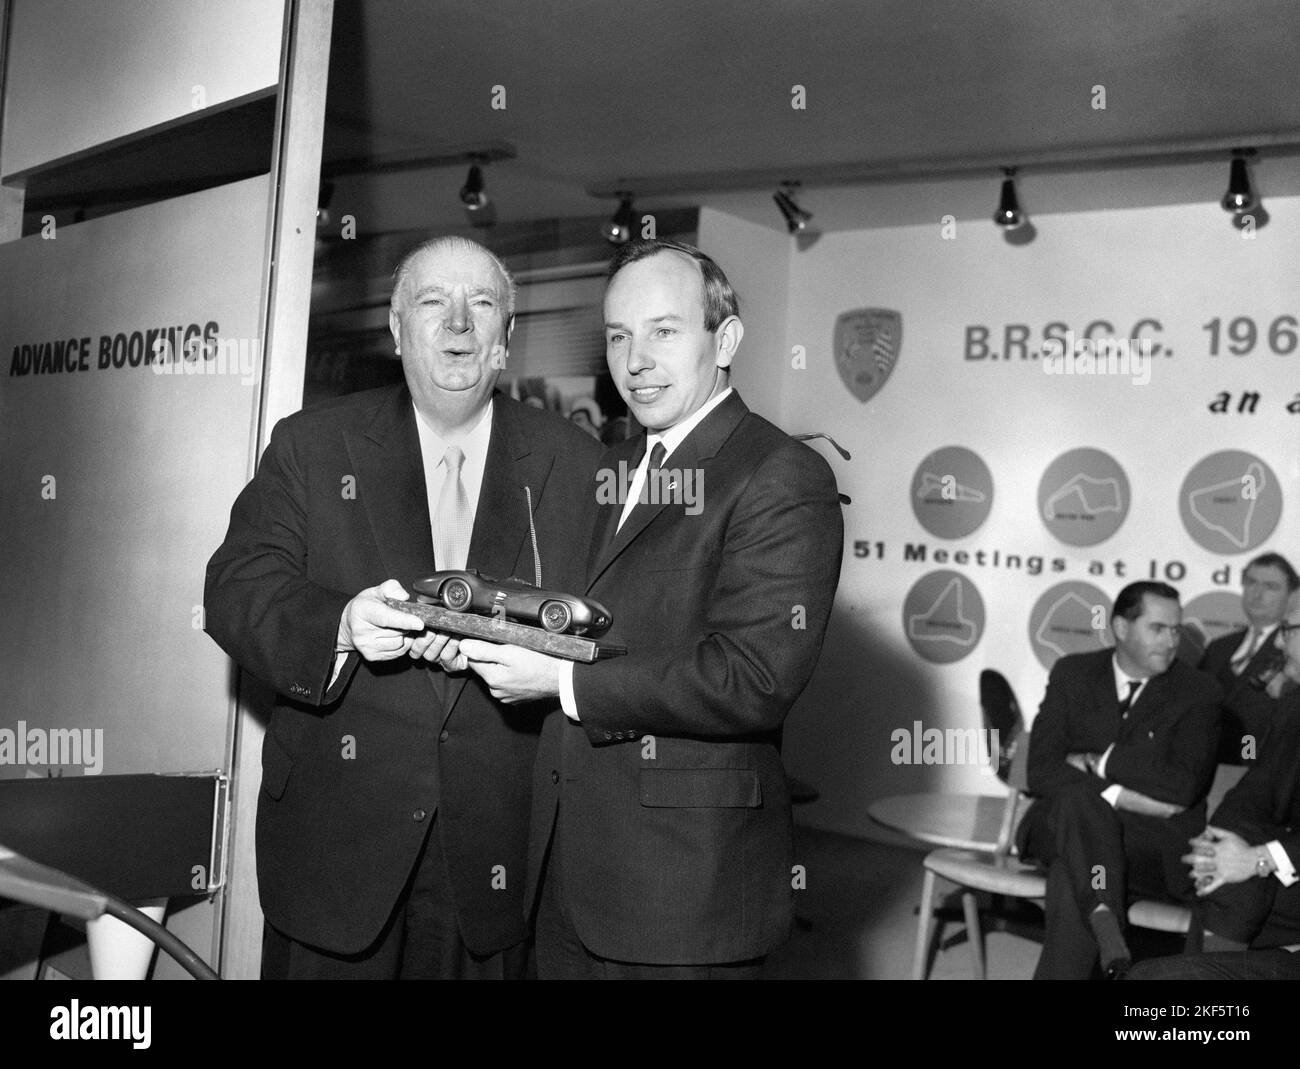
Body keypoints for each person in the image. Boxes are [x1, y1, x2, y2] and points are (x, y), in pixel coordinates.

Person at [203, 236, 603, 978]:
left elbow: (605, 626)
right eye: (432, 302)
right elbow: (236, 588)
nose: (458, 325)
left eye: (481, 305)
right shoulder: (313, 446)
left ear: (506, 340)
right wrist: (343, 626)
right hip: (336, 851)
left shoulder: (577, 465)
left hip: (497, 860)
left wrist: (540, 660)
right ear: (394, 329)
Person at [455, 238, 844, 978]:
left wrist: (560, 683)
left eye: (664, 331)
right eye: (617, 336)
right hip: (567, 876)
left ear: (724, 339)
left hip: (684, 896)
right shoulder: (617, 466)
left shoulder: (781, 473)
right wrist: (478, 626)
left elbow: (754, 675)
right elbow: (590, 616)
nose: (635, 360)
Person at [1017, 581, 1223, 979]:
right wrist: (1119, 794)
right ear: (1121, 628)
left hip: (1148, 846)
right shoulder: (1073, 673)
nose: (1171, 640)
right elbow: (1040, 768)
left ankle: (1103, 919)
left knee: (1070, 871)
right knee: (1080, 806)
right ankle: (1106, 924)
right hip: (1067, 822)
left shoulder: (1199, 693)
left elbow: (1181, 788)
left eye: (1176, 629)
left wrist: (1099, 761)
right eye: (1158, 628)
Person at [1129, 604, 1300, 980]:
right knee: (1226, 874)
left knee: (1238, 884)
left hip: (1287, 870)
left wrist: (1258, 858)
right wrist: (1221, 846)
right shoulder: (1292, 703)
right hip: (1282, 872)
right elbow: (1255, 790)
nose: (1280, 641)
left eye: (1287, 629)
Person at [1198, 552, 1299, 764]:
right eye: (1251, 582)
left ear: (1292, 596)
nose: (1257, 593)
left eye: (1271, 586)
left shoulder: (1294, 653)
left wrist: (1247, 761)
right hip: (1201, 762)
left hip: (1254, 765)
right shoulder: (1218, 647)